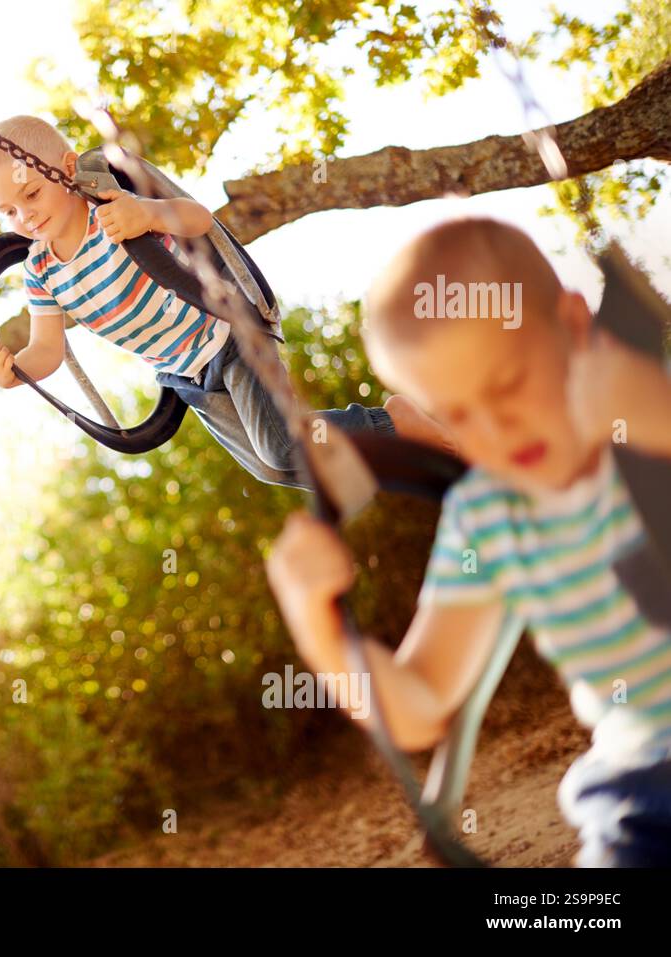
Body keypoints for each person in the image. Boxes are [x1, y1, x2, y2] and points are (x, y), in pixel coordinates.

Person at [266, 216, 671, 866]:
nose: (496, 427)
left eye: (507, 382)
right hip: (646, 793)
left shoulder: (651, 400)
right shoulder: (488, 516)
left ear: (571, 326)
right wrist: (320, 629)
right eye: (455, 413)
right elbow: (422, 702)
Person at [0, 115, 453, 487]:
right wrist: (10, 372)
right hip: (184, 374)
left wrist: (148, 214)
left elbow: (198, 219)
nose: (24, 216)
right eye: (7, 211)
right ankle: (390, 447)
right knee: (272, 467)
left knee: (280, 449)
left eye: (30, 193)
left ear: (68, 168)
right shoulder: (40, 271)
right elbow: (46, 350)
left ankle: (392, 424)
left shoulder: (112, 209)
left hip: (226, 334)